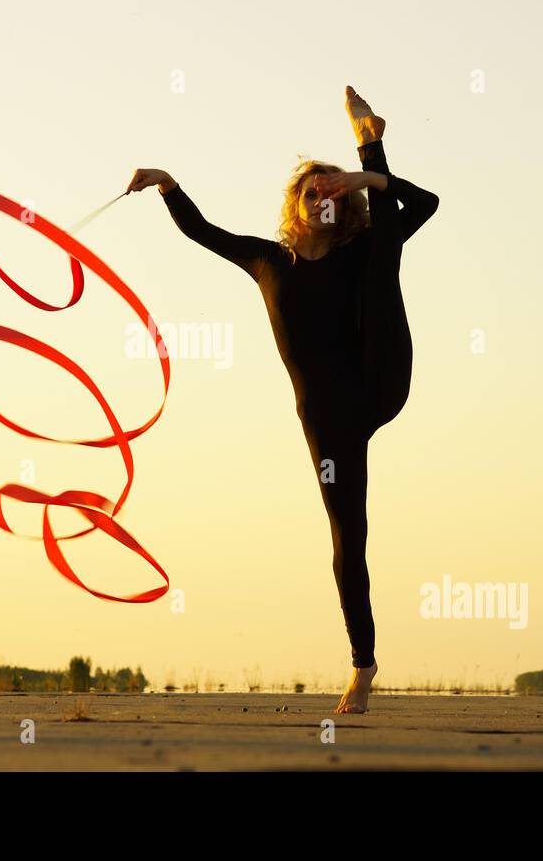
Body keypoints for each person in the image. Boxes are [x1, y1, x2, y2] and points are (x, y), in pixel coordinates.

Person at [125, 86, 438, 713]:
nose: (322, 197)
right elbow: (202, 231)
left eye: (333, 192)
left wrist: (365, 174)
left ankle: (369, 139)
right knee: (348, 536)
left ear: (343, 202)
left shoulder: (358, 251)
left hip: (378, 377)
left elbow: (426, 203)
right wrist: (165, 183)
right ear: (295, 204)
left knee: (385, 249)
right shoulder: (269, 260)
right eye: (312, 190)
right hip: (328, 414)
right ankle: (364, 664)